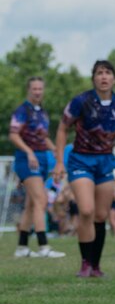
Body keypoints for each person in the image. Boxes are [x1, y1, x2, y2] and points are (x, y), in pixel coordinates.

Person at [54, 60, 115, 278]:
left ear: (114, 78)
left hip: (105, 162)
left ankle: (95, 266)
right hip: (80, 161)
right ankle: (85, 263)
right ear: (93, 78)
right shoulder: (81, 102)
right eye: (99, 73)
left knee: (101, 215)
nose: (103, 77)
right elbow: (63, 128)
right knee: (86, 210)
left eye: (108, 73)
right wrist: (59, 161)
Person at [9, 77, 65, 259]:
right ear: (29, 90)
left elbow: (43, 137)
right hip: (27, 160)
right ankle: (43, 246)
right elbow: (14, 135)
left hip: (42, 159)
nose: (37, 92)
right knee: (41, 200)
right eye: (34, 89)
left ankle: (22, 247)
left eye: (40, 89)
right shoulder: (22, 110)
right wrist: (29, 152)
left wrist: (55, 150)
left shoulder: (42, 113)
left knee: (31, 204)